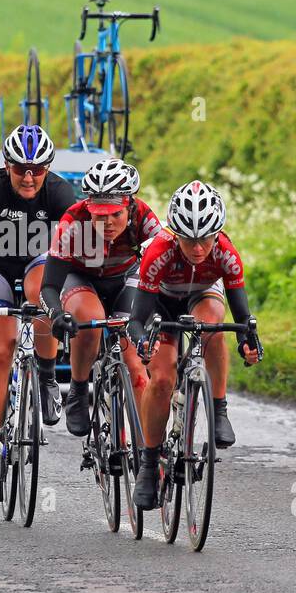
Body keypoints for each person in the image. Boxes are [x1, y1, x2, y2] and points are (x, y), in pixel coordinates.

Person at [128, 180, 261, 510]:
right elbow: (138, 317)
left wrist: (248, 342)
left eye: (205, 238)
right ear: (175, 234)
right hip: (161, 304)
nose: (198, 248)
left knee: (213, 323)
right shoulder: (159, 252)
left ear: (218, 233)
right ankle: (148, 465)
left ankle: (219, 410)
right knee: (160, 380)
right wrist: (142, 340)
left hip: (200, 296)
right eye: (189, 239)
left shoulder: (227, 254)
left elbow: (242, 317)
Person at [0, 125, 76, 499]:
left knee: (42, 294)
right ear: (6, 165)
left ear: (48, 168)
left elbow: (75, 248)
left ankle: (46, 377)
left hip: (37, 263)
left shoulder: (60, 192)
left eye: (37, 169)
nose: (29, 177)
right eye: (20, 169)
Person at [39, 157, 161, 441]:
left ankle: (148, 454)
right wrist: (57, 314)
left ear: (129, 206)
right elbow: (49, 287)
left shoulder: (145, 218)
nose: (106, 223)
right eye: (99, 215)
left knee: (135, 362)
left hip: (126, 277)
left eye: (114, 215)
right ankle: (79, 390)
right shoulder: (72, 221)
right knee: (89, 320)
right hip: (82, 278)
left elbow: (161, 271)